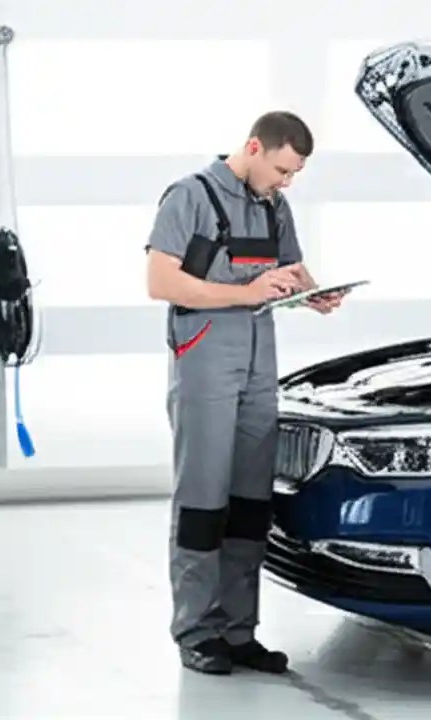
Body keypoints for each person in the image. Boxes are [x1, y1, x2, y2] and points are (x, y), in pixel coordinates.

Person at [144, 111, 343, 675]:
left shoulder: (274, 205)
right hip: (205, 356)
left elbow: (292, 268)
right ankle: (196, 631)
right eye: (281, 169)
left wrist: (314, 293)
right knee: (203, 503)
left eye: (295, 174)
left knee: (251, 504)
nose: (287, 182)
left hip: (259, 363)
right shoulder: (191, 196)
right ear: (254, 147)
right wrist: (245, 292)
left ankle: (238, 631)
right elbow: (161, 282)